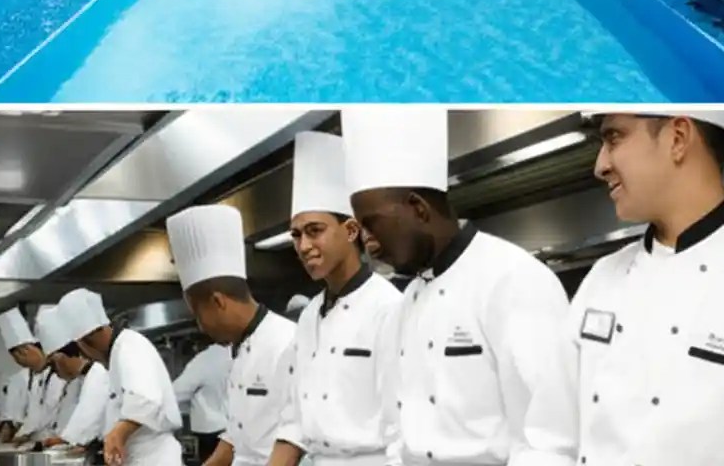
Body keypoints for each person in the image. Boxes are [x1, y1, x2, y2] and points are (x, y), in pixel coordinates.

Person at [521, 111, 724, 466]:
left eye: (614, 137)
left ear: (678, 138)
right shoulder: (602, 278)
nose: (600, 165)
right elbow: (548, 443)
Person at [340, 108, 569, 466]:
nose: (367, 242)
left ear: (418, 209)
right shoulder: (403, 307)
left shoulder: (514, 281)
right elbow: (396, 434)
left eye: (372, 224)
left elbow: (550, 441)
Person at [268, 131, 404, 466]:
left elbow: (404, 429)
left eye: (315, 231)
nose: (303, 246)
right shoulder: (309, 316)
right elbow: (294, 423)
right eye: (296, 235)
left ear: (351, 230)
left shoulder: (389, 308)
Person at [167, 204, 297, 466]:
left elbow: (295, 441)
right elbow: (236, 435)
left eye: (198, 315)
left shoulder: (287, 343)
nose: (200, 327)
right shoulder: (239, 351)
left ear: (218, 302)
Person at [57, 288, 184, 466]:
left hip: (154, 459)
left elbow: (144, 399)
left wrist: (118, 433)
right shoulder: (115, 355)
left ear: (88, 339)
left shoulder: (130, 346)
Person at [36, 305, 111, 453]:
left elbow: (88, 418)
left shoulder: (98, 374)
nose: (54, 373)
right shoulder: (79, 380)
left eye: (53, 365)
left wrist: (64, 440)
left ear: (60, 357)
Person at [0, 307, 63, 444]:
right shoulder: (30, 377)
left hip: (54, 442)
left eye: (18, 355)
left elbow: (46, 414)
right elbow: (23, 416)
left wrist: (22, 434)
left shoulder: (60, 375)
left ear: (26, 350)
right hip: (34, 443)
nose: (19, 361)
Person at [172, 339, 233, 462]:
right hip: (232, 427)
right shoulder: (235, 354)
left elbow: (177, 392)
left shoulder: (204, 360)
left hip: (211, 431)